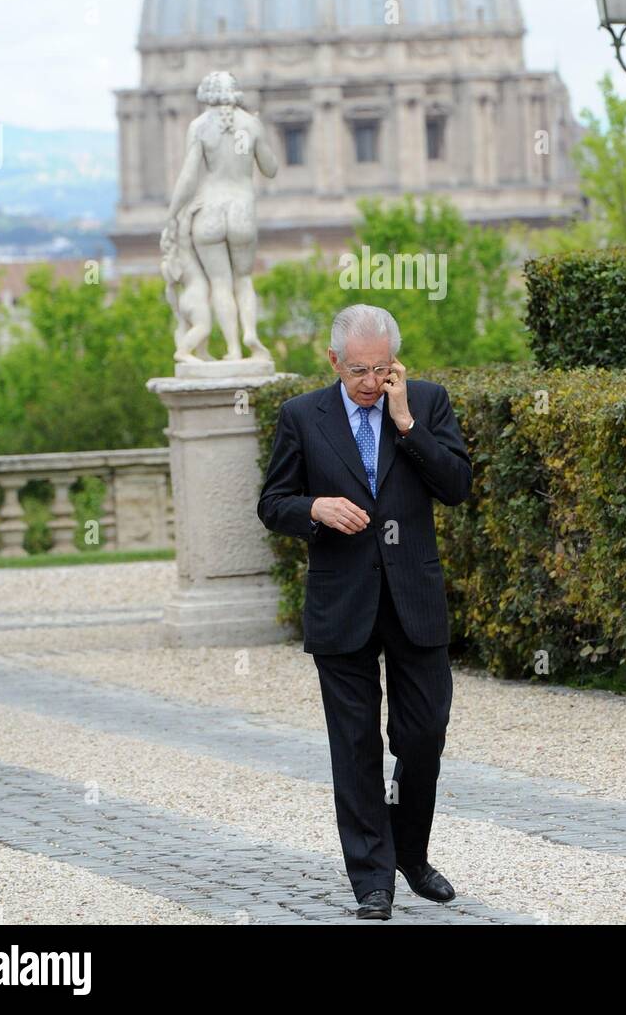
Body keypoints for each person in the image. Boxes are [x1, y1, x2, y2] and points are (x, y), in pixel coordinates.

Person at [257, 303, 473, 920]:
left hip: (415, 600)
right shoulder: (302, 415)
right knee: (353, 747)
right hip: (342, 603)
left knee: (424, 734)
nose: (371, 383)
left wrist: (407, 424)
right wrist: (315, 509)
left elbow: (456, 486)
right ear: (333, 362)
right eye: (359, 371)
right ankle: (372, 879)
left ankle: (410, 851)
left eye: (382, 370)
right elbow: (273, 502)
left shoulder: (425, 403)